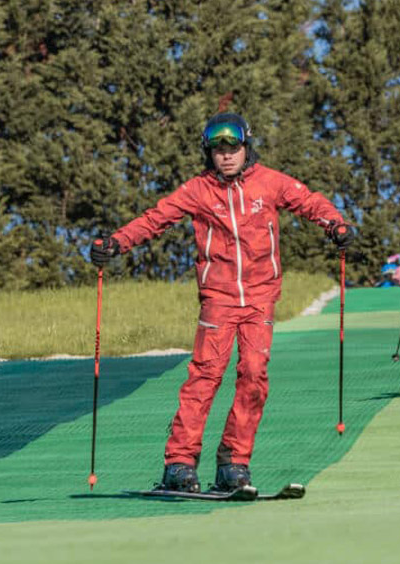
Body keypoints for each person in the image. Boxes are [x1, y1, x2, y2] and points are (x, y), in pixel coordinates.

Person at [90, 112, 353, 493]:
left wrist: (335, 224)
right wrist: (116, 242)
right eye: (218, 150)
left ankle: (234, 463)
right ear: (208, 153)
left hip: (260, 297)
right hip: (219, 298)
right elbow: (155, 219)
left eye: (234, 148)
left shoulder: (269, 182)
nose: (226, 156)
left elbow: (309, 202)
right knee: (204, 377)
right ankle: (179, 465)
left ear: (247, 148)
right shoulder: (198, 190)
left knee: (254, 376)